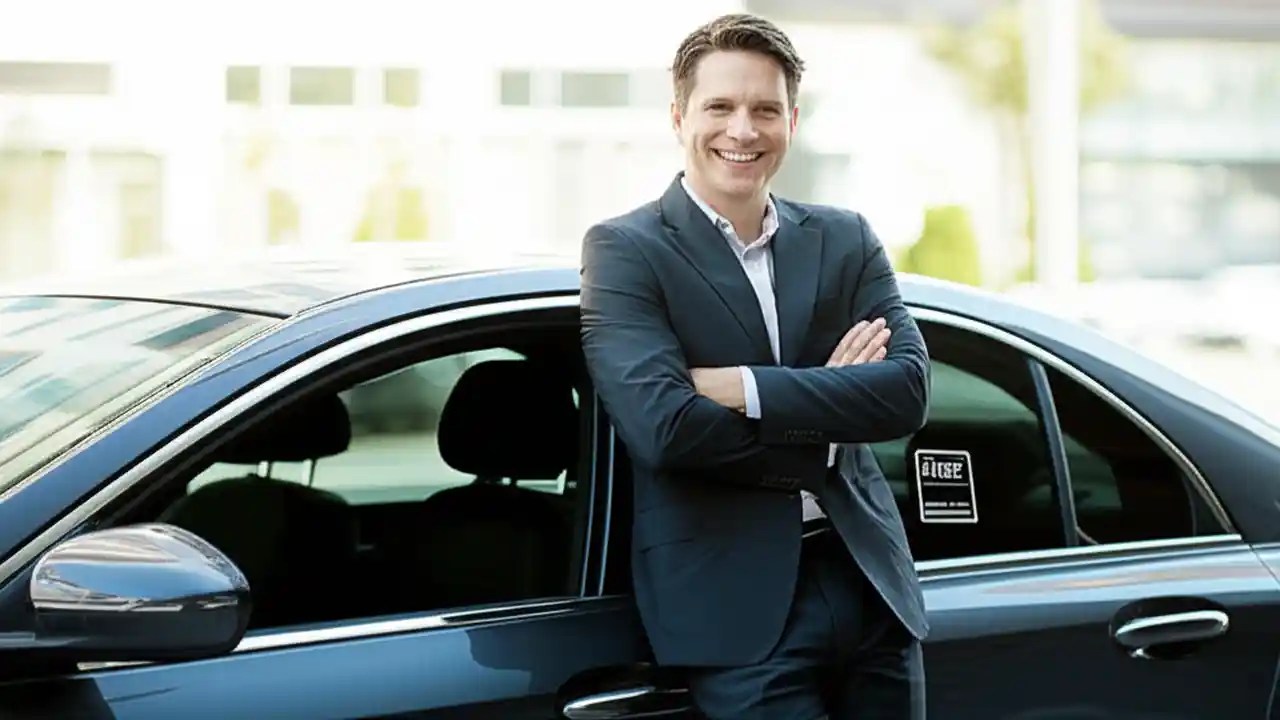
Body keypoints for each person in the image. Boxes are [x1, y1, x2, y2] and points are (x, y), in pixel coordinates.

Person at [579, 12, 931, 720]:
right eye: (720, 107)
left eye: (765, 109)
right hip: (735, 615)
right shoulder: (624, 251)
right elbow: (667, 429)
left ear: (791, 121)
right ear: (679, 116)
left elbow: (905, 394)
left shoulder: (845, 238)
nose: (743, 130)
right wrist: (831, 418)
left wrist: (740, 388)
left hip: (869, 587)